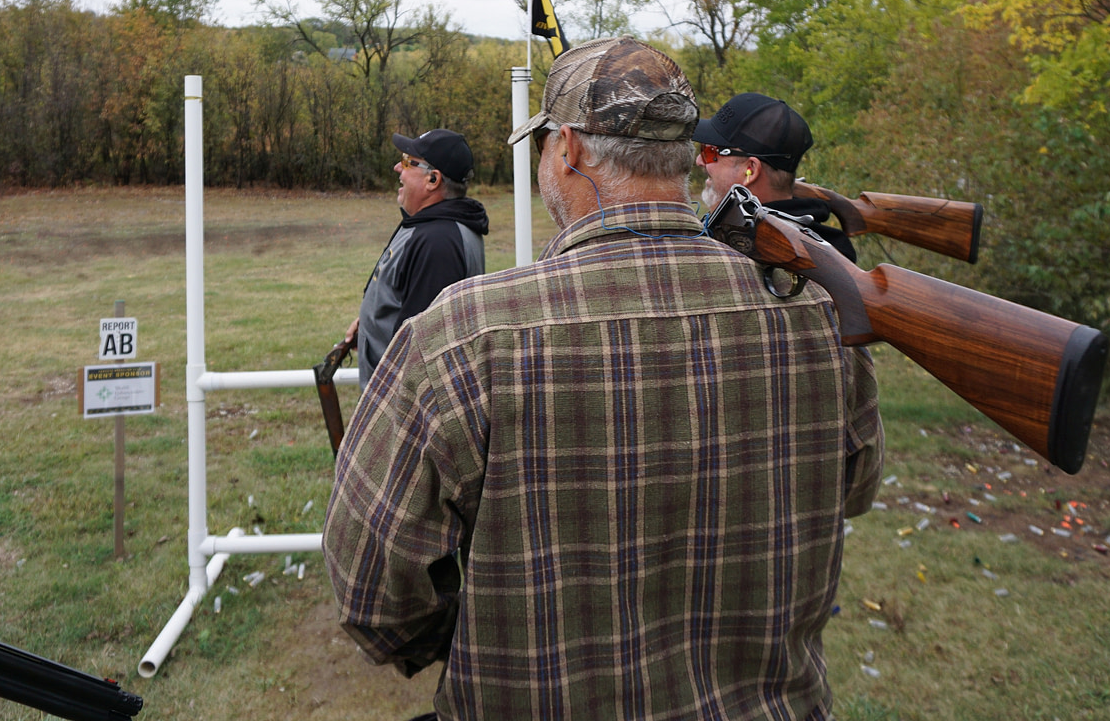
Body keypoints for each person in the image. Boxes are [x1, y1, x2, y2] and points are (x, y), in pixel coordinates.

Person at [325, 38, 884, 721]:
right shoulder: (819, 308)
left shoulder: (462, 337)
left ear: (568, 149)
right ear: (682, 155)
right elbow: (853, 487)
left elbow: (372, 592)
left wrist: (475, 641)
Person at [340, 128, 489, 387]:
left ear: (433, 179)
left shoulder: (438, 242)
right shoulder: (432, 227)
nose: (398, 167)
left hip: (400, 415)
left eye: (408, 161)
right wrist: (370, 326)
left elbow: (420, 354)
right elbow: (408, 303)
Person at [694, 92, 859, 263]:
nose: (699, 161)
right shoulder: (832, 246)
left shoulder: (743, 247)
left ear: (750, 169)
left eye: (710, 152)